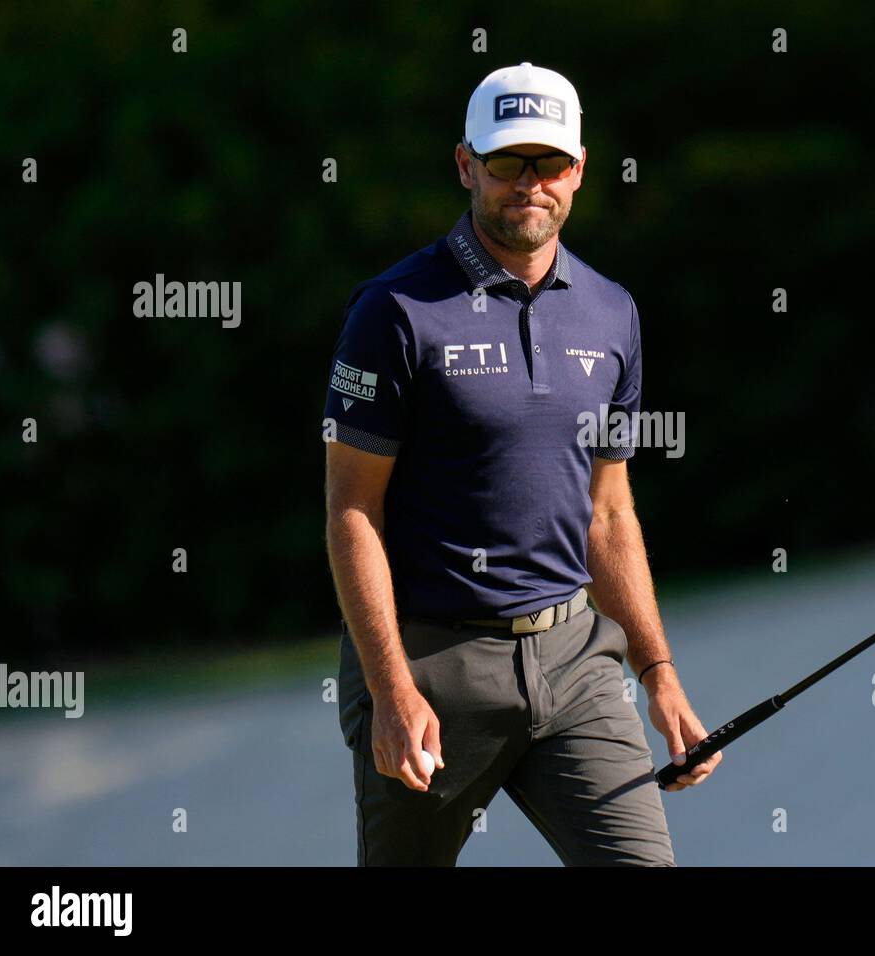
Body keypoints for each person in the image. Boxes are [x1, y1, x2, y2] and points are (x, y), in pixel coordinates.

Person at [323, 61, 721, 866]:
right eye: (506, 162)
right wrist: (391, 690)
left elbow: (608, 512)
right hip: (431, 669)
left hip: (575, 663)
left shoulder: (612, 311)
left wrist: (658, 672)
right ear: (467, 165)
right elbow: (351, 512)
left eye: (549, 163)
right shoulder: (394, 310)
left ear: (578, 170)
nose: (527, 184)